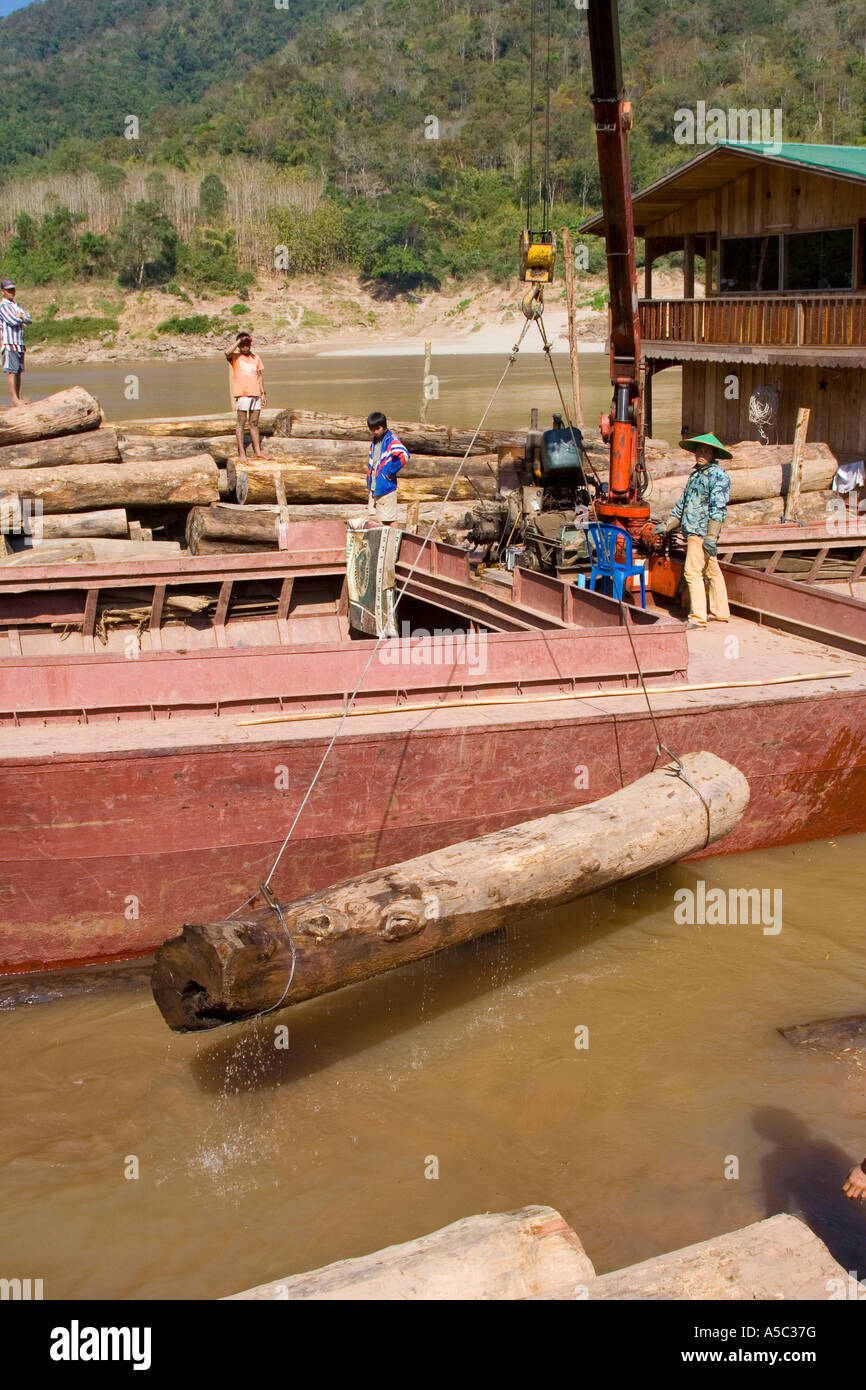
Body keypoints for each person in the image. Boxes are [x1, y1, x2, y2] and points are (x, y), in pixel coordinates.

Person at [654, 431, 732, 631]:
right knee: (711, 570)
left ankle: (698, 618)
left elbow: (718, 508)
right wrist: (666, 526)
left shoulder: (718, 476)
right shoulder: (695, 475)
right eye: (698, 450)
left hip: (702, 532)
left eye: (705, 450)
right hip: (693, 531)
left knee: (692, 572)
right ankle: (720, 611)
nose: (700, 453)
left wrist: (711, 536)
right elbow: (681, 506)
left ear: (714, 454)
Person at [224, 331, 266, 461]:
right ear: (240, 345)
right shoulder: (235, 357)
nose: (246, 347)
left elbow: (259, 377)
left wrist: (263, 393)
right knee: (241, 423)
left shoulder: (256, 357)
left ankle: (257, 451)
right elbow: (226, 352)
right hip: (242, 394)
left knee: (254, 423)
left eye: (248, 344)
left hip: (255, 394)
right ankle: (242, 453)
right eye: (243, 344)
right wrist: (238, 341)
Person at [366, 411, 409, 525]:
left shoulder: (391, 440)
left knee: (390, 520)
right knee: (379, 519)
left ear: (384, 426)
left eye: (378, 428)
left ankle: (393, 542)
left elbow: (404, 455)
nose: (375, 432)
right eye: (372, 429)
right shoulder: (375, 441)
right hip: (375, 486)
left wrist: (389, 473)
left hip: (386, 486)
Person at [0, 279, 32, 407]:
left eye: (12, 289)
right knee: (12, 371)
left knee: (18, 371)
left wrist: (22, 317)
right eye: (8, 290)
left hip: (19, 343)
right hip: (9, 343)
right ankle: (14, 399)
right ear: (3, 291)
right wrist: (20, 317)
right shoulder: (3, 307)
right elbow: (12, 320)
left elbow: (29, 319)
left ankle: (18, 398)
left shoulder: (16, 306)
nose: (11, 292)